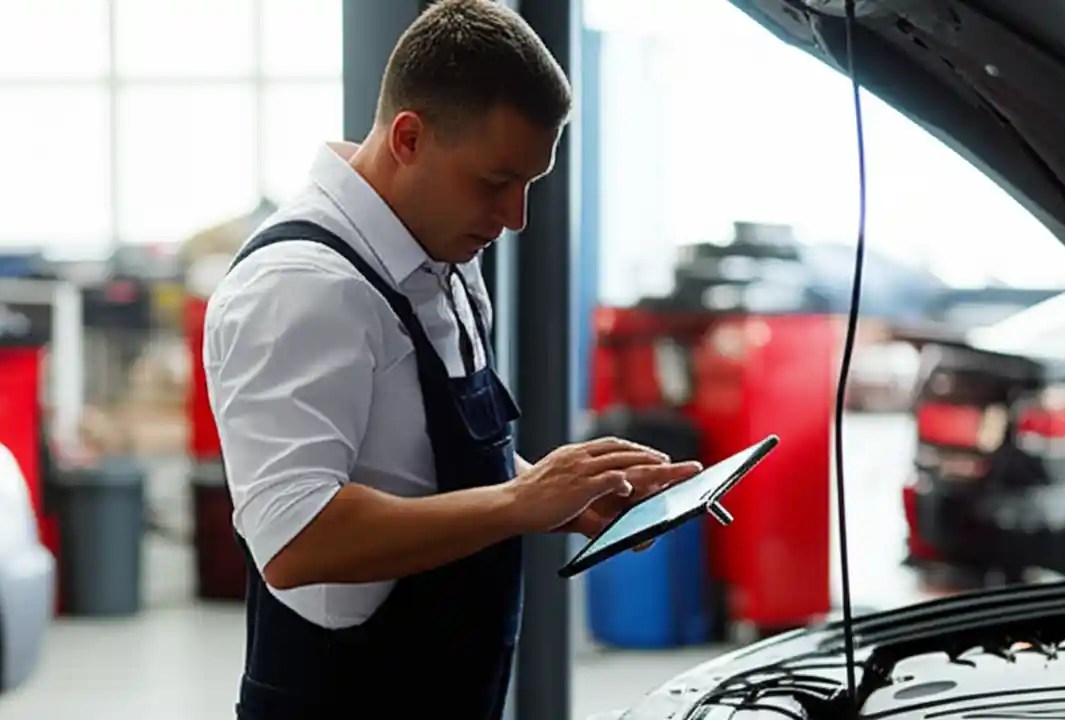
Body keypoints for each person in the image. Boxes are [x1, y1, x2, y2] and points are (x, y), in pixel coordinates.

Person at [202, 1, 701, 717]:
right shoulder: (301, 289)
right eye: (495, 182)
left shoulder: (441, 254)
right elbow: (297, 537)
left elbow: (426, 466)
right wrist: (516, 502)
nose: (515, 216)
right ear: (408, 137)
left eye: (530, 183)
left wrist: (562, 495)